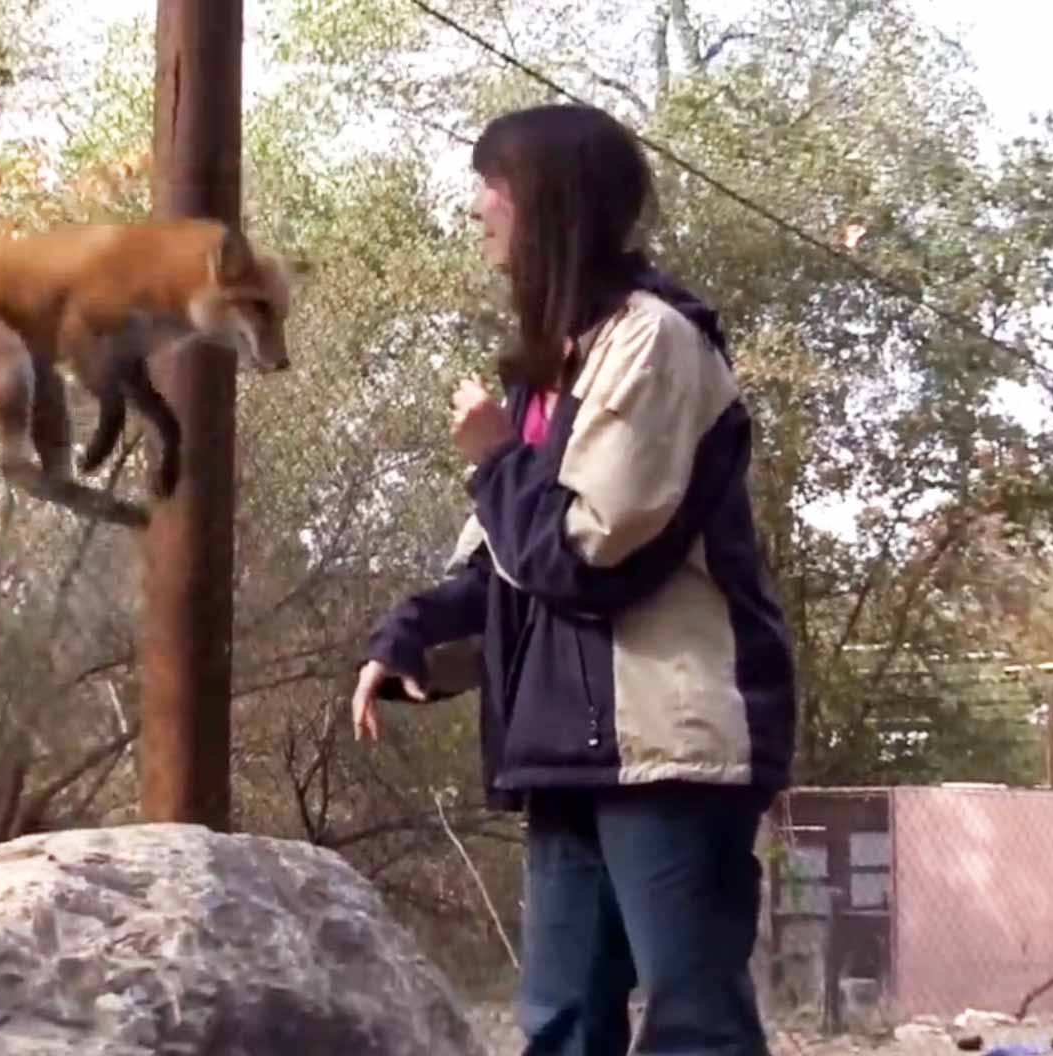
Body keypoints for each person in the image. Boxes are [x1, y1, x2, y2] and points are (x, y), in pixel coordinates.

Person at [350, 102, 797, 1056]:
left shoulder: (655, 342)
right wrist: (413, 639)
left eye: (490, 184)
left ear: (546, 203)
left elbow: (587, 554)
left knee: (692, 1029)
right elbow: (506, 559)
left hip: (673, 748)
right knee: (559, 1025)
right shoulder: (553, 367)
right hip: (565, 749)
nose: (476, 207)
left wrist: (492, 457)